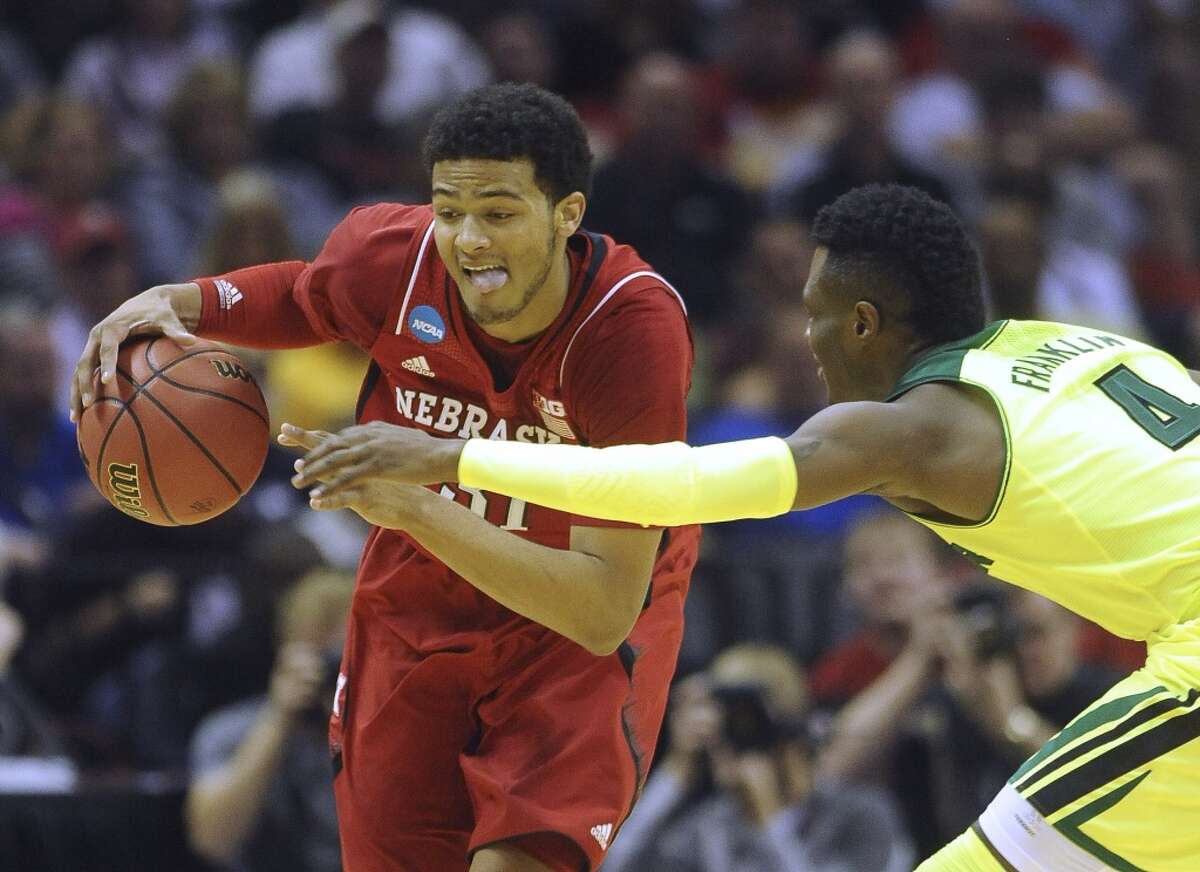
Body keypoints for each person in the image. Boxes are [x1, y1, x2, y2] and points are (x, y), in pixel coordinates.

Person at [286, 182, 1200, 871]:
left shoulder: (913, 428)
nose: (806, 338)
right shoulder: (1089, 346)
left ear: (868, 323)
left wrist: (453, 461)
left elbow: (677, 484)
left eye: (818, 316)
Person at [72, 82, 699, 872]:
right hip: (417, 609)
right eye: (448, 210)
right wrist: (181, 303)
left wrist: (416, 505)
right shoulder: (392, 261)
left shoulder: (629, 332)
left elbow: (604, 608)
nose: (468, 239)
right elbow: (305, 297)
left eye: (499, 213)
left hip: (571, 635)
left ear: (567, 214)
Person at [604, 644, 914, 872]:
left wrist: (770, 825)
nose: (725, 742)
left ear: (786, 731)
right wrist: (678, 768)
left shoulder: (860, 815)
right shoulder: (713, 823)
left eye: (739, 724)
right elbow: (616, 866)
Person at [187, 568, 354, 872]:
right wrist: (279, 718)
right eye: (322, 656)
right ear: (286, 648)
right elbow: (211, 839)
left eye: (343, 656)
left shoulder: (388, 730)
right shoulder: (230, 730)